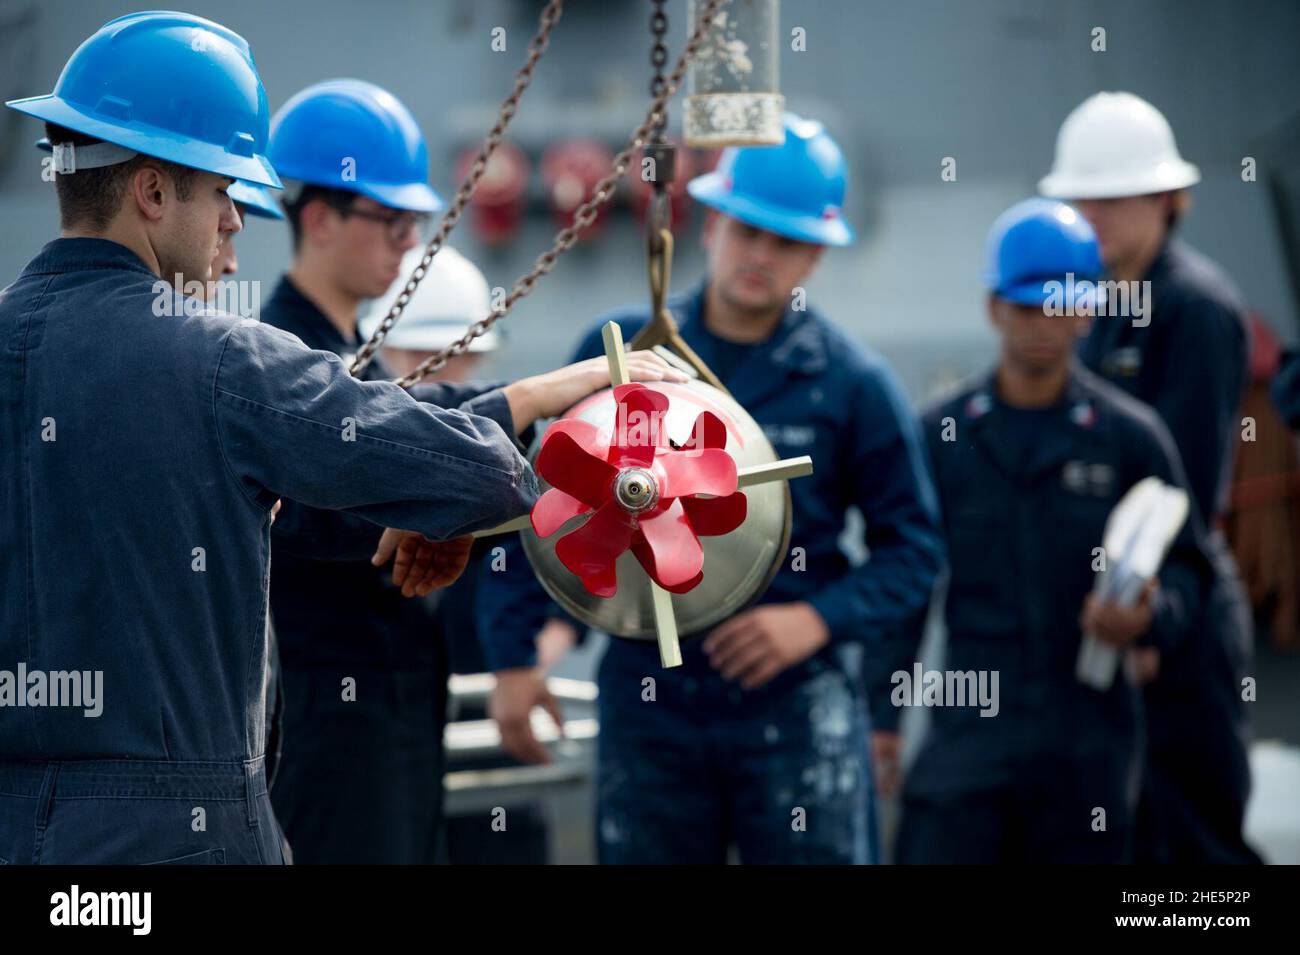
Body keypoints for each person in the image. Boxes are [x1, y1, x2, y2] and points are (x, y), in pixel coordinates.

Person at [0, 12, 536, 865]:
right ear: (150, 192)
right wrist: (435, 505)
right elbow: (484, 475)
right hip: (180, 833)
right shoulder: (221, 360)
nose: (238, 224)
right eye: (222, 193)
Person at [478, 114, 945, 864]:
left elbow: (914, 550)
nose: (761, 255)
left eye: (787, 241)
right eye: (746, 229)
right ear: (710, 224)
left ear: (817, 257)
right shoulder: (620, 358)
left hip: (794, 698)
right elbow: (537, 507)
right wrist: (515, 657)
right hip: (651, 694)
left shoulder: (851, 384)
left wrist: (815, 622)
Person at [259, 80, 684, 863]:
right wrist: (528, 401)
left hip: (392, 714)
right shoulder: (283, 356)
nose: (409, 239)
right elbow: (352, 475)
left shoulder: (342, 352)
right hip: (329, 723)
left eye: (415, 220)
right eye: (391, 220)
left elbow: (397, 431)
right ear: (319, 217)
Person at [882, 198, 1211, 863]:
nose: (1043, 323)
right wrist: (880, 718)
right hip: (967, 735)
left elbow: (1190, 569)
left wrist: (1150, 613)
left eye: (1061, 305)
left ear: (1087, 309)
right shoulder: (943, 435)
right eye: (1027, 305)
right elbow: (904, 581)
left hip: (1086, 739)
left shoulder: (1131, 439)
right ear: (994, 308)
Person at [1041, 91, 1260, 863]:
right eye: (1080, 201)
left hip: (1175, 621)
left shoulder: (1194, 308)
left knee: (1193, 845)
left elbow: (1184, 496)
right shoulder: (1098, 303)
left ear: (1167, 198)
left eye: (1111, 197)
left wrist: (1154, 617)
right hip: (1111, 615)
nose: (1092, 217)